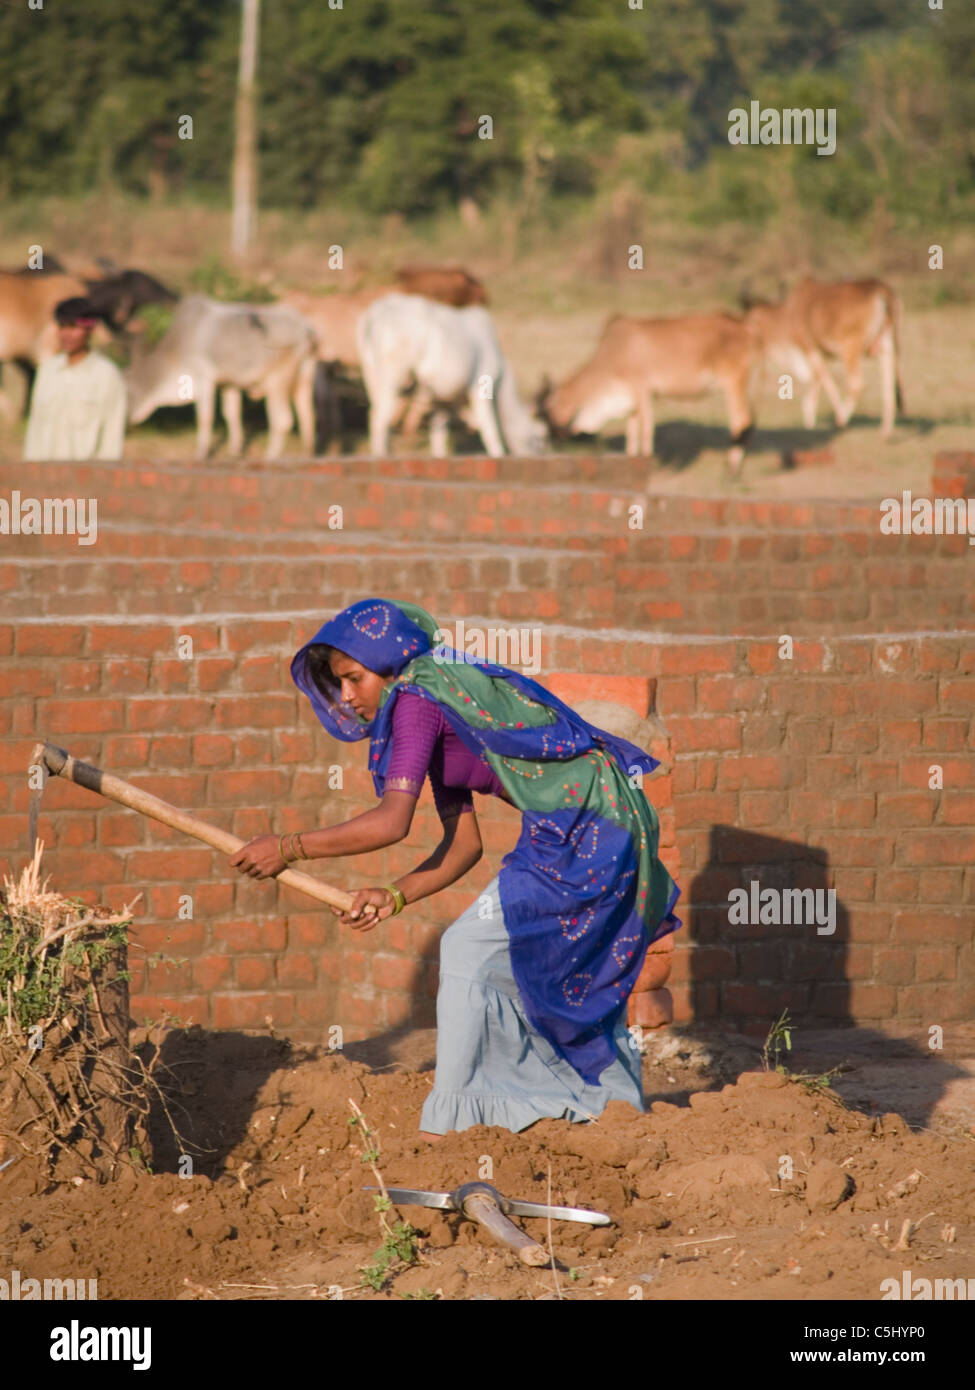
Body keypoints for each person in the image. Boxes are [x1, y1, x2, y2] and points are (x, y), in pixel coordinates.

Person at [230, 598, 681, 1138]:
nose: (347, 696)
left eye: (353, 678)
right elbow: (463, 844)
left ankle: (468, 1119)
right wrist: (393, 895)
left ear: (387, 661)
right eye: (339, 684)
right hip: (594, 820)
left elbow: (391, 822)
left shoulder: (417, 697)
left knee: (472, 948)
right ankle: (603, 1108)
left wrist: (287, 846)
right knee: (543, 962)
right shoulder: (439, 696)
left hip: (589, 827)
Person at [23, 297, 127, 461]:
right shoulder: (47, 371)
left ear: (90, 329)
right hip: (44, 474)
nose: (66, 334)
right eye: (62, 326)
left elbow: (112, 435)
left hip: (86, 476)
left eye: (73, 327)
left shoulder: (106, 375)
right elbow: (35, 428)